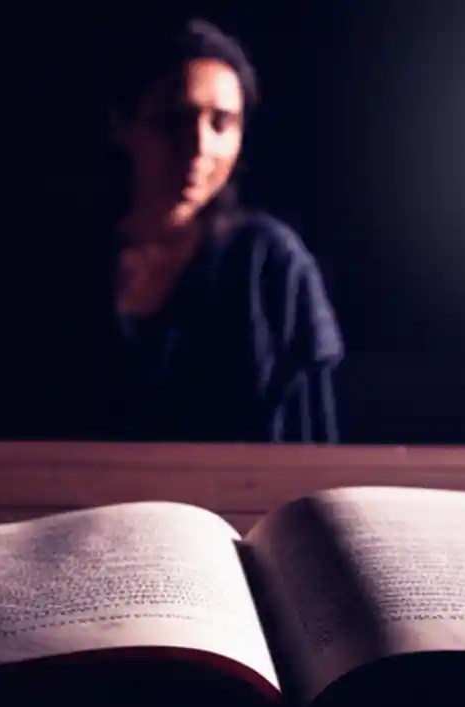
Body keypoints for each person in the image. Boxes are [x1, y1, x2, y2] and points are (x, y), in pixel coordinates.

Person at [81, 17, 344, 443]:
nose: (199, 147)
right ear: (123, 125)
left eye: (221, 123)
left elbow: (309, 444)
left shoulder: (268, 263)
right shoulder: (64, 261)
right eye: (174, 120)